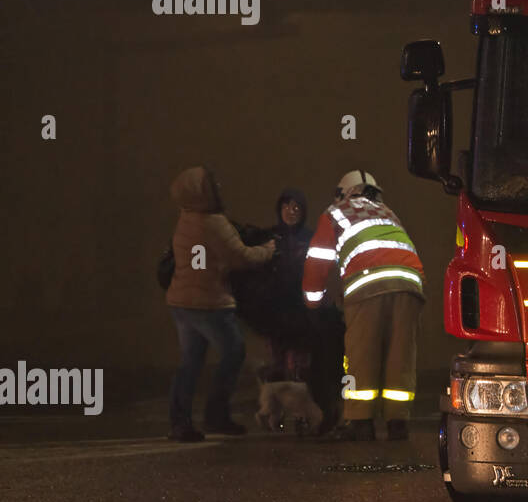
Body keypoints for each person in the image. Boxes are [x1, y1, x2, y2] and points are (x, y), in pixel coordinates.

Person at [302, 170, 424, 441]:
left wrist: (313, 301)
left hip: (368, 284)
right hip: (410, 283)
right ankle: (397, 423)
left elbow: (318, 261)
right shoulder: (387, 212)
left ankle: (360, 422)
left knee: (362, 353)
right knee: (400, 355)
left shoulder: (335, 212)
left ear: (343, 192)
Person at [165, 166, 275, 442]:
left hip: (181, 302)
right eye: (214, 186)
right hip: (209, 302)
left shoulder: (185, 218)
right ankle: (216, 415)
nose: (219, 190)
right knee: (233, 353)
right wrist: (270, 249)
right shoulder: (212, 222)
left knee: (190, 362)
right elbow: (242, 257)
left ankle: (180, 421)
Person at [233, 189, 346, 433]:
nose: (291, 212)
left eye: (296, 208)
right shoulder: (269, 238)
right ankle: (275, 415)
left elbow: (324, 272)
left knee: (302, 366)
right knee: (278, 365)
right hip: (276, 315)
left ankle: (303, 415)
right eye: (286, 207)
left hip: (304, 314)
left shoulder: (310, 238)